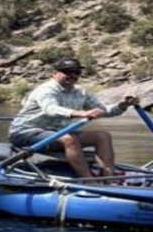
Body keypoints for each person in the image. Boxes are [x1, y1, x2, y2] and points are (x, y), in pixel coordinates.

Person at [8, 58, 138, 178]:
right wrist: (81, 113)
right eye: (67, 72)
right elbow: (51, 109)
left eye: (77, 72)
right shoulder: (46, 90)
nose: (73, 75)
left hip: (56, 133)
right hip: (25, 132)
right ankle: (89, 180)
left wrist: (124, 104)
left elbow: (104, 110)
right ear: (54, 73)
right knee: (69, 139)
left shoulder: (80, 92)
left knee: (102, 136)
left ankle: (109, 177)